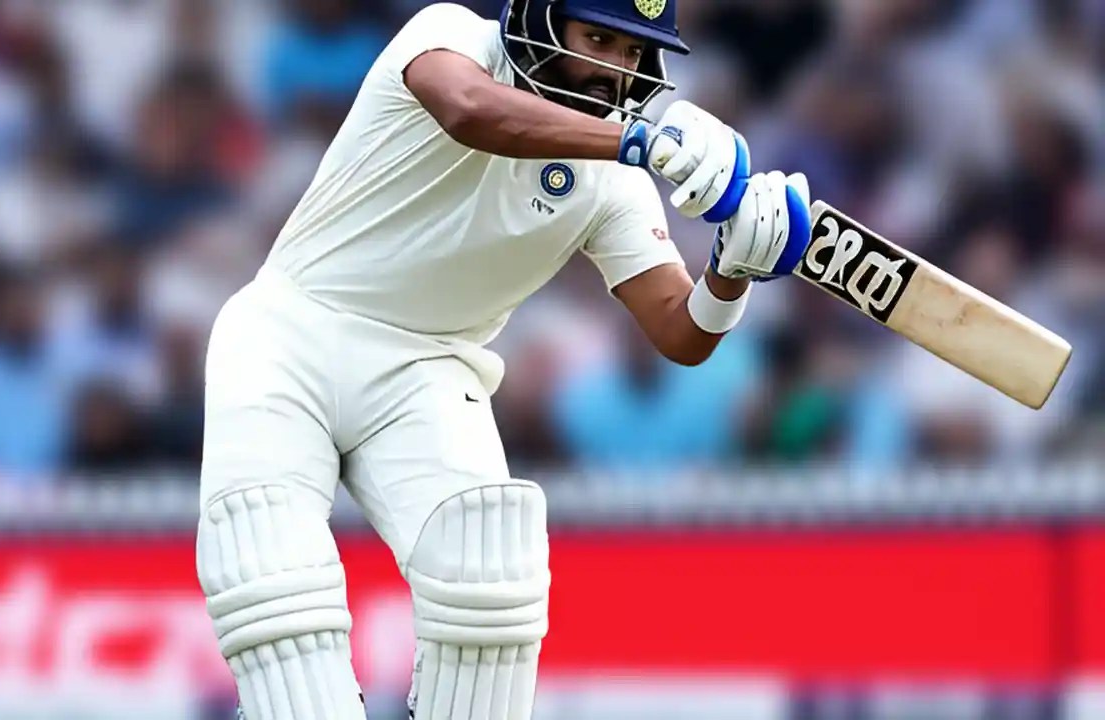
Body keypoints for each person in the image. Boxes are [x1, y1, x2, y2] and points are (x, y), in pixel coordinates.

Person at [197, 1, 811, 718]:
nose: (618, 69)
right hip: (288, 336)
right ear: (541, 19)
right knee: (274, 577)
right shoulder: (452, 36)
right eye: (600, 39)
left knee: (490, 567)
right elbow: (465, 110)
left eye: (635, 53)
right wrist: (636, 142)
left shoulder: (612, 181)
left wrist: (732, 272)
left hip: (425, 370)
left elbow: (681, 333)